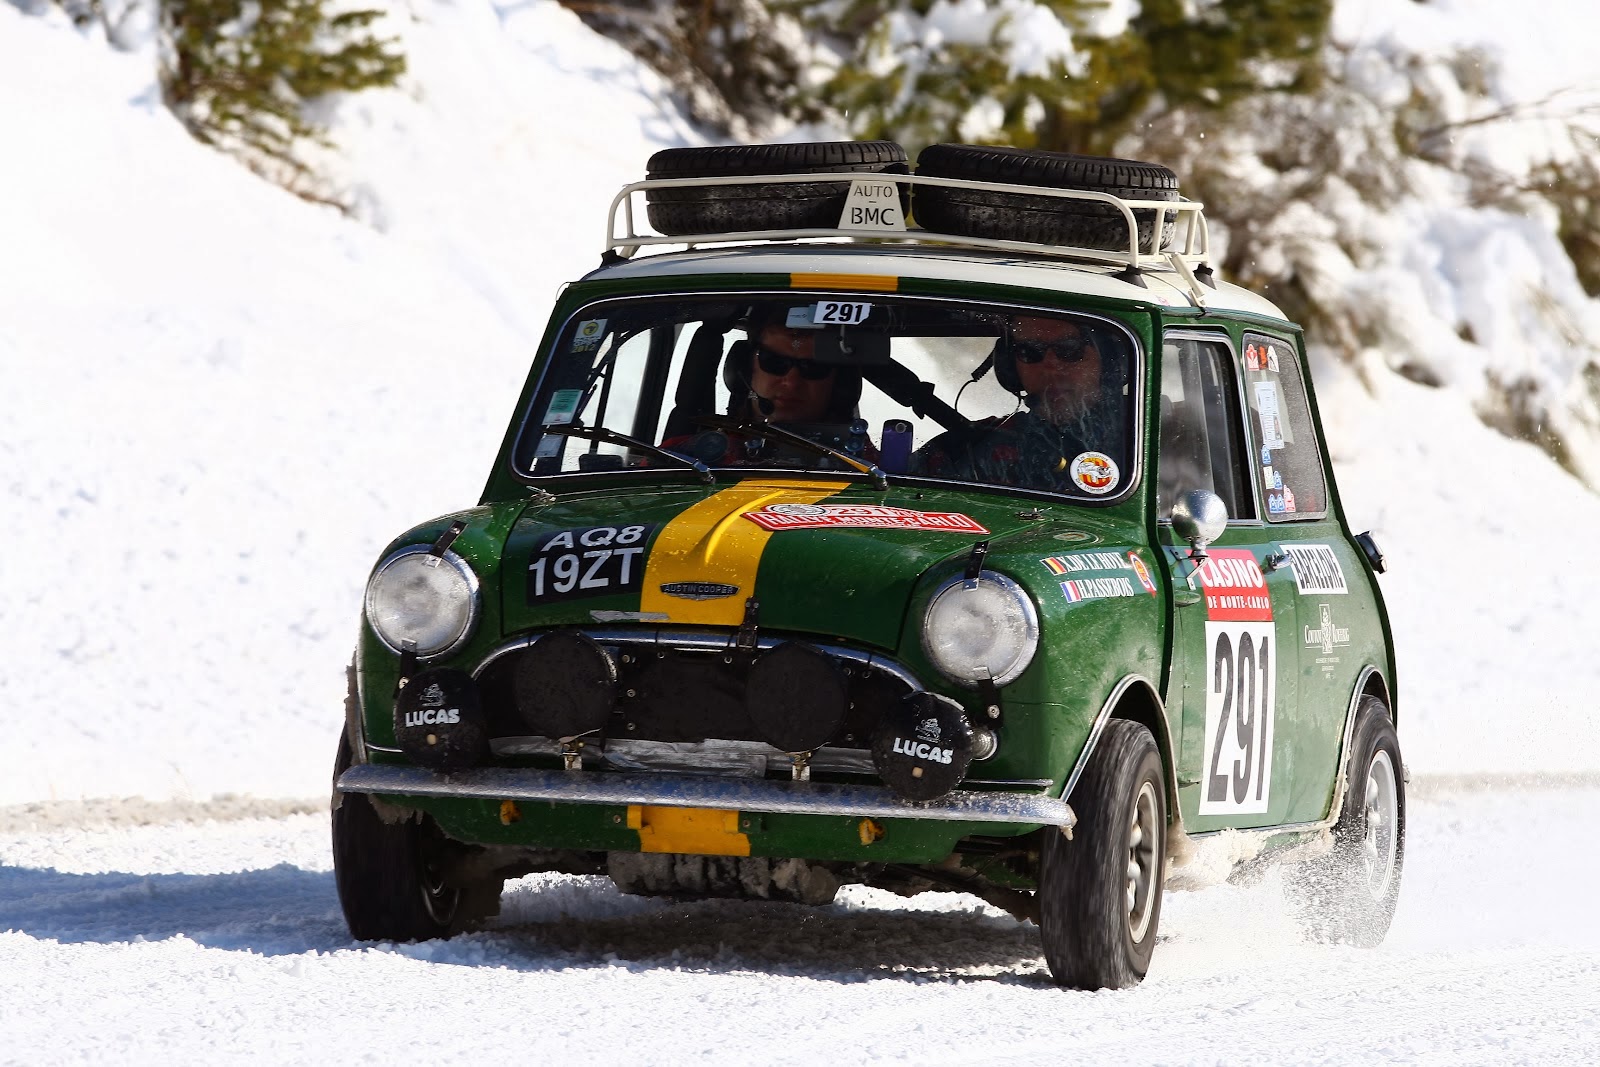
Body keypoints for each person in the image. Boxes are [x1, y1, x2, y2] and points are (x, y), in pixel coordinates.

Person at [909, 314, 1126, 494]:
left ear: (1109, 360)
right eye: (1030, 351)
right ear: (1011, 368)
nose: (1050, 366)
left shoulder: (1142, 440)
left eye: (1069, 349)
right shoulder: (969, 449)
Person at [665, 313, 874, 466]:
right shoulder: (686, 459)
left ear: (839, 382)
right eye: (774, 362)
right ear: (745, 371)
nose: (791, 382)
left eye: (814, 368)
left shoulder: (871, 468)